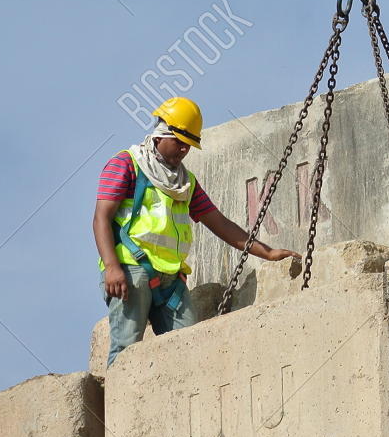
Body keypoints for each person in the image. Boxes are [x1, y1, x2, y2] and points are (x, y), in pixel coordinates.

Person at [93, 97, 297, 366]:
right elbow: (100, 219)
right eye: (178, 142)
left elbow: (220, 223)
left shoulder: (185, 182)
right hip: (132, 272)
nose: (183, 150)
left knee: (190, 349)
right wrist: (111, 266)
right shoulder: (126, 164)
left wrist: (268, 253)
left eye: (188, 145)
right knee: (126, 350)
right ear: (160, 135)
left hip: (170, 281)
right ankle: (119, 406)